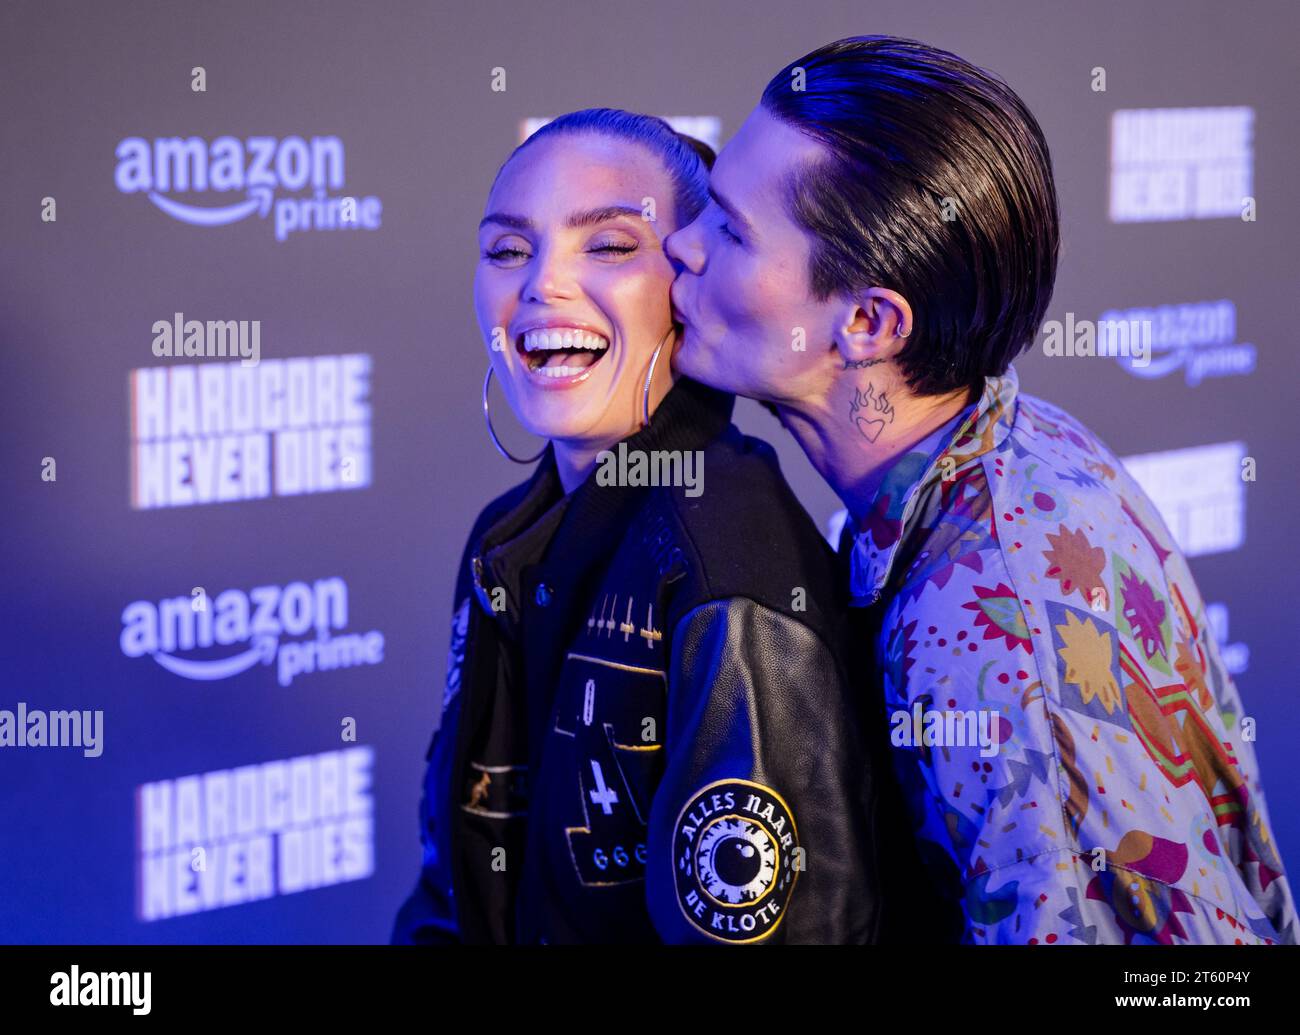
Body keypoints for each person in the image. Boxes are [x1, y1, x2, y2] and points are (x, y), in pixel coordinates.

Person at [665, 35, 1299, 945]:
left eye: (728, 229)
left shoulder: (987, 630)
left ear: (869, 323)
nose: (679, 245)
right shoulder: (997, 444)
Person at [391, 108, 881, 945]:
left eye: (609, 246)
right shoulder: (503, 541)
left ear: (694, 280)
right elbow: (454, 891)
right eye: (509, 250)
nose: (542, 284)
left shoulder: (728, 559)